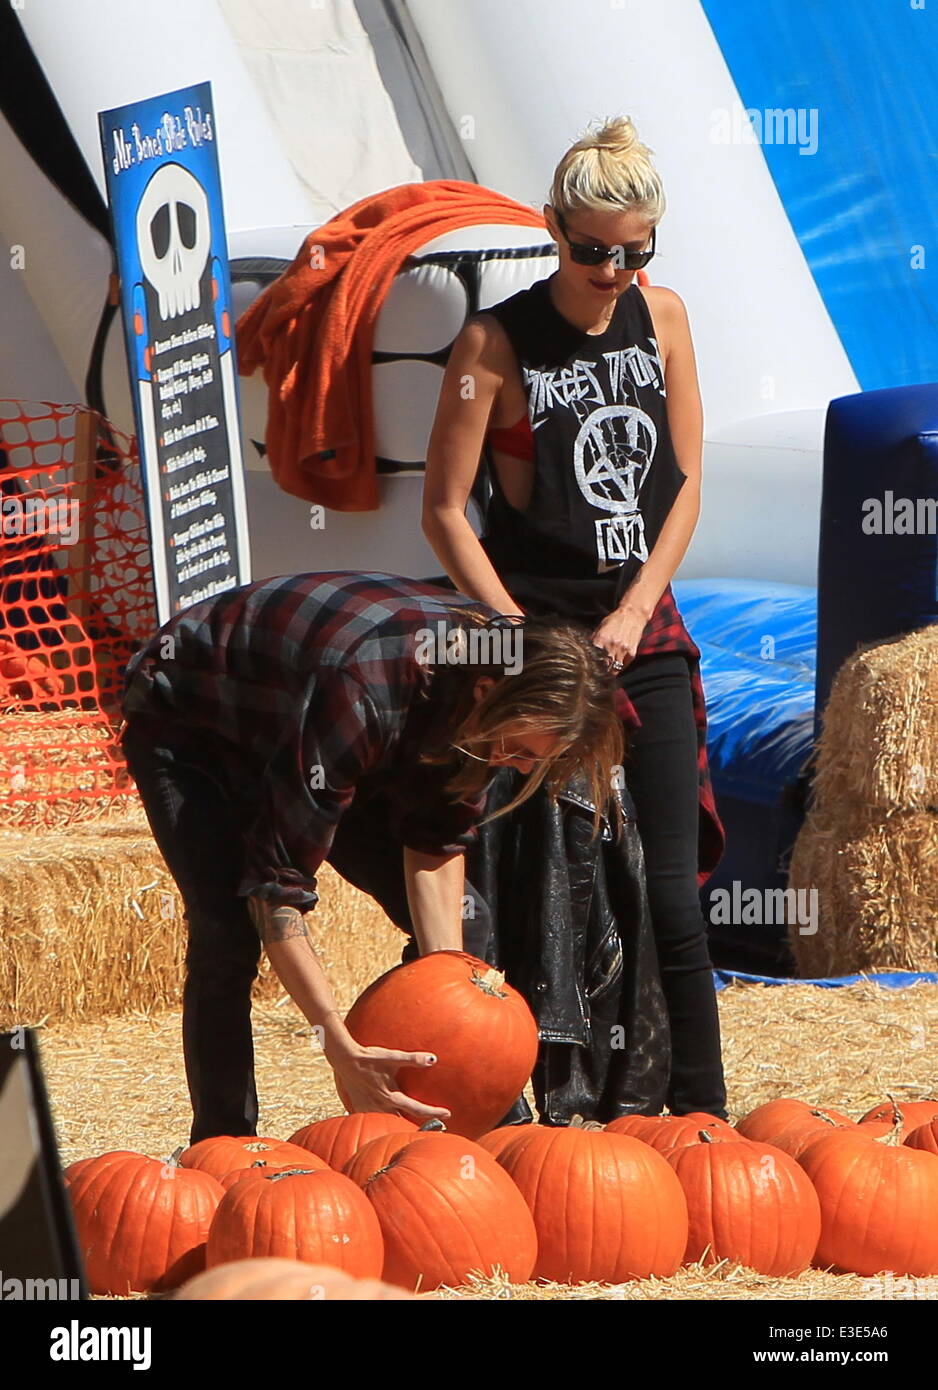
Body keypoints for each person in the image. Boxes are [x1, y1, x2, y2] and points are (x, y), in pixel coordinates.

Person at [422, 116, 728, 1118]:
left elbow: (682, 486)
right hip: (539, 646)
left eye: (634, 249)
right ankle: (514, 1106)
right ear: (552, 229)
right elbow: (444, 510)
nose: (612, 270)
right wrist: (516, 633)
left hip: (641, 637)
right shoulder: (492, 343)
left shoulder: (666, 319)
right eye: (592, 248)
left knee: (671, 895)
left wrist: (638, 609)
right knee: (528, 883)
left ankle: (697, 1116)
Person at [119, 570, 624, 1142]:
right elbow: (276, 889)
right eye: (521, 749)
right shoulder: (365, 688)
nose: (522, 767)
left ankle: (439, 1128)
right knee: (227, 932)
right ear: (486, 694)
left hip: (317, 716)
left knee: (467, 921)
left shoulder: (491, 681)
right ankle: (222, 1143)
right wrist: (337, 1040)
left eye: (540, 759)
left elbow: (434, 841)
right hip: (195, 719)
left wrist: (446, 1001)